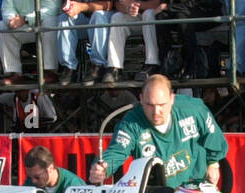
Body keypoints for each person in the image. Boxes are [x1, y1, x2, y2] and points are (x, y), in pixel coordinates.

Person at [91, 73, 227, 186]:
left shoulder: (193, 109)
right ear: (141, 99)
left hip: (195, 185)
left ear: (172, 99)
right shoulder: (131, 122)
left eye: (162, 105)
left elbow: (213, 136)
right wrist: (103, 168)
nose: (156, 112)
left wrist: (213, 163)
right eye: (150, 105)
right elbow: (117, 151)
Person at [106, 0, 166, 82]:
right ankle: (114, 67)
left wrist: (134, 3)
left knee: (149, 14)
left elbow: (165, 3)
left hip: (162, 16)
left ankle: (152, 63)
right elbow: (118, 4)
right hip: (137, 16)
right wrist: (128, 8)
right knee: (116, 17)